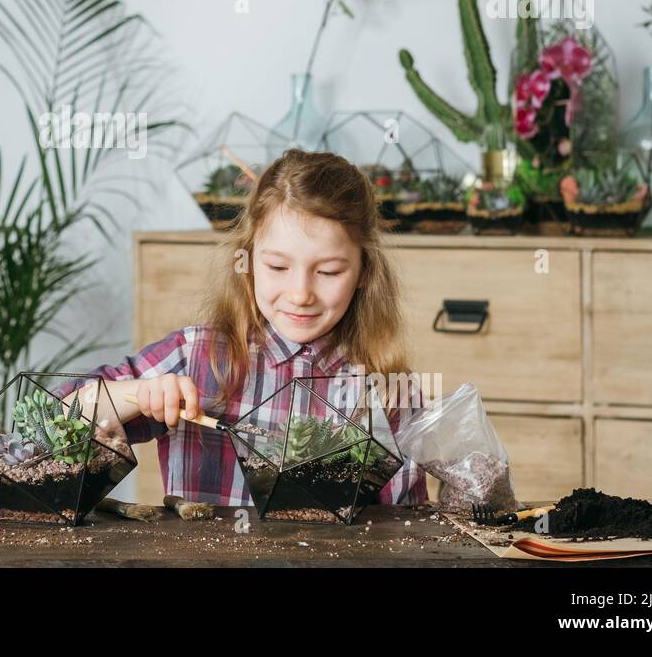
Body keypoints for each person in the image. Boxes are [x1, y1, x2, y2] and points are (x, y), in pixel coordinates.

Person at [85, 149, 427, 507]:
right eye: (278, 267)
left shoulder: (387, 392)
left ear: (364, 273)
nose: (300, 294)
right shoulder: (195, 357)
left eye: (328, 272)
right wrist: (139, 393)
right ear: (248, 262)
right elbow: (47, 424)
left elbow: (404, 534)